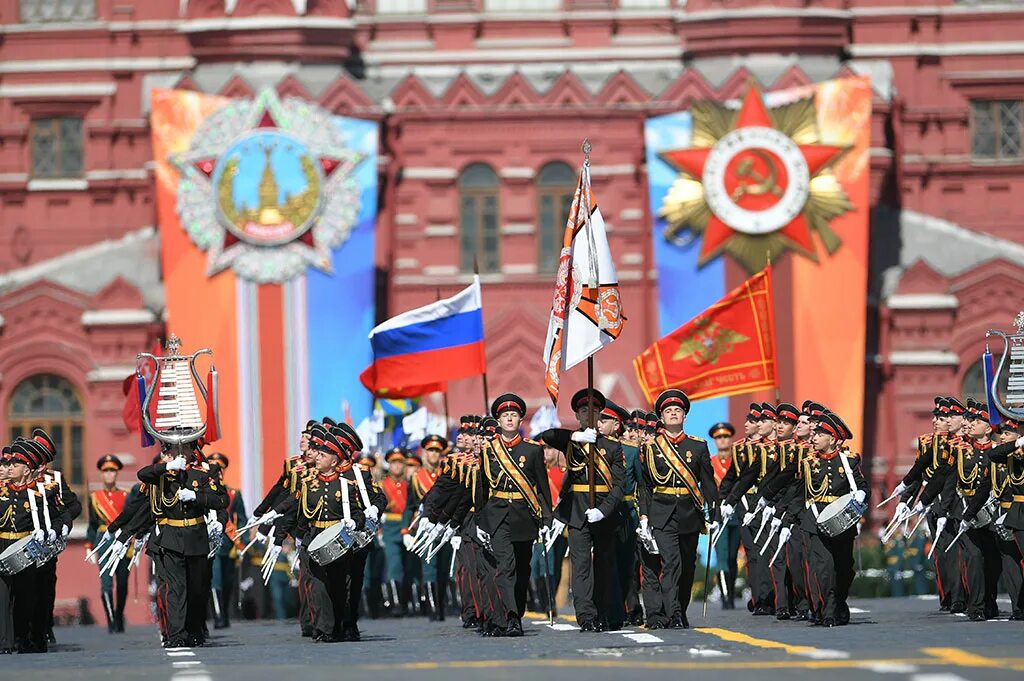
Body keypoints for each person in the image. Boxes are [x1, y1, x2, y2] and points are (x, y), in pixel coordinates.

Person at [539, 389, 625, 632]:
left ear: (599, 415)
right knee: (581, 567)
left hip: (603, 511)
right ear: (577, 415)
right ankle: (586, 615)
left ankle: (604, 612)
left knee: (604, 565)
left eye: (593, 411)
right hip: (577, 511)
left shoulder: (612, 447)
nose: (588, 414)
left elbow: (619, 486)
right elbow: (548, 435)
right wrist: (576, 437)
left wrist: (604, 510)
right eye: (584, 410)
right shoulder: (571, 442)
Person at [637, 389, 718, 629]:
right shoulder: (651, 448)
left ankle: (680, 609)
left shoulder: (698, 446)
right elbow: (645, 486)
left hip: (689, 511)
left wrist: (713, 511)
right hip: (661, 512)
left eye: (678, 411)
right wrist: (644, 516)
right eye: (668, 411)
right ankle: (671, 613)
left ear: (684, 416)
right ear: (661, 418)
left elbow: (708, 482)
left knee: (687, 565)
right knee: (671, 563)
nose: (673, 414)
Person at [475, 393, 553, 637]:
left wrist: (547, 518)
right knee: (505, 567)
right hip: (498, 516)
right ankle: (510, 618)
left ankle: (516, 610)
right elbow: (482, 488)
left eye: (513, 415)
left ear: (520, 420)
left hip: (525, 515)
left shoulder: (532, 451)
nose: (509, 419)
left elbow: (542, 486)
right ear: (498, 421)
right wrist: (479, 520)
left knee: (522, 569)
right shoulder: (489, 451)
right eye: (505, 416)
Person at [138, 441, 228, 647]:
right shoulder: (163, 473)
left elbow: (221, 501)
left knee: (197, 589)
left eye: (182, 449)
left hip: (196, 535)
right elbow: (142, 474)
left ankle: (195, 632)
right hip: (171, 536)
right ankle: (176, 635)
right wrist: (168, 467)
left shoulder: (206, 471)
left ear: (191, 450)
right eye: (171, 449)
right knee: (175, 589)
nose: (177, 453)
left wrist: (196, 496)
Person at [920, 400, 999, 621]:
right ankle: (975, 605)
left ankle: (989, 601)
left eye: (976, 420)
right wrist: (932, 505)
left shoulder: (997, 450)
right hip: (964, 510)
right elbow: (944, 477)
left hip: (993, 513)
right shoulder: (960, 450)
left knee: (993, 560)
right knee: (972, 556)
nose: (970, 424)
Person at [985, 418, 1024, 620]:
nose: (1002, 437)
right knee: (1010, 562)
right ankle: (1018, 606)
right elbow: (993, 454)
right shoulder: (1010, 453)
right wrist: (1017, 443)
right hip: (1017, 513)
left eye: (1008, 433)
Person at [86, 455, 130, 633]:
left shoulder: (126, 495)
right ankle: (111, 619)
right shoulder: (95, 498)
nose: (109, 474)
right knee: (106, 582)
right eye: (106, 471)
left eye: (112, 471)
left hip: (122, 540)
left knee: (123, 581)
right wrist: (89, 546)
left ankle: (119, 614)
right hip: (104, 540)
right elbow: (92, 524)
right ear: (101, 474)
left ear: (117, 473)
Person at [206, 453, 247, 629]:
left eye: (220, 468)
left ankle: (226, 612)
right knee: (215, 579)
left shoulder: (233, 494)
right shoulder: (204, 491)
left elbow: (243, 519)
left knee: (228, 580)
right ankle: (218, 616)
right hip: (210, 543)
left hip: (229, 544)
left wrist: (241, 541)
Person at [708, 422, 740, 609]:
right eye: (719, 437)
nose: (723, 440)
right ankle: (726, 598)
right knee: (722, 556)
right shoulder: (711, 463)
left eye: (725, 437)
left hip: (737, 513)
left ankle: (731, 589)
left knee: (732, 556)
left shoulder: (737, 461)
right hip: (719, 514)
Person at [380, 448, 409, 615]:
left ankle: (410, 601)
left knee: (409, 565)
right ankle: (395, 602)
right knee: (394, 564)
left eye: (400, 462)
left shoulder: (409, 484)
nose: (397, 466)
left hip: (407, 526)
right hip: (390, 526)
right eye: (393, 463)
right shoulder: (383, 485)